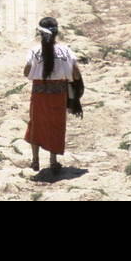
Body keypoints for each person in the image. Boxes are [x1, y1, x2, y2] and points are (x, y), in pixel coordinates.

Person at [23, 16, 84, 174]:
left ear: (40, 34)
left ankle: (35, 160)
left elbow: (26, 72)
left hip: (39, 94)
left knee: (36, 124)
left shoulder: (34, 51)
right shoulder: (65, 50)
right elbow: (76, 74)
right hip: (59, 94)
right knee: (56, 126)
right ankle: (53, 161)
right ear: (56, 33)